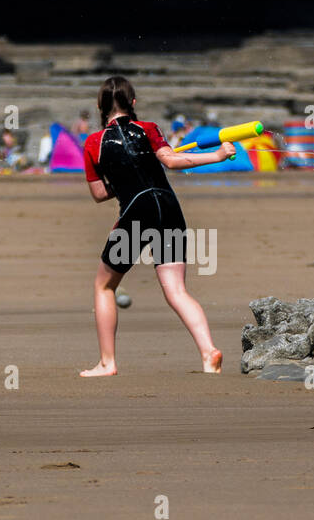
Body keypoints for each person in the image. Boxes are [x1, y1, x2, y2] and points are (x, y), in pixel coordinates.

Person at [80, 75, 233, 377]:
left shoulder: (93, 143)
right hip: (168, 206)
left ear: (99, 105)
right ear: (133, 103)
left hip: (137, 209)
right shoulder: (149, 129)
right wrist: (218, 155)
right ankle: (207, 352)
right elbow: (171, 162)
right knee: (176, 290)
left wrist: (123, 185)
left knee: (104, 285)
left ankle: (107, 362)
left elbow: (99, 193)